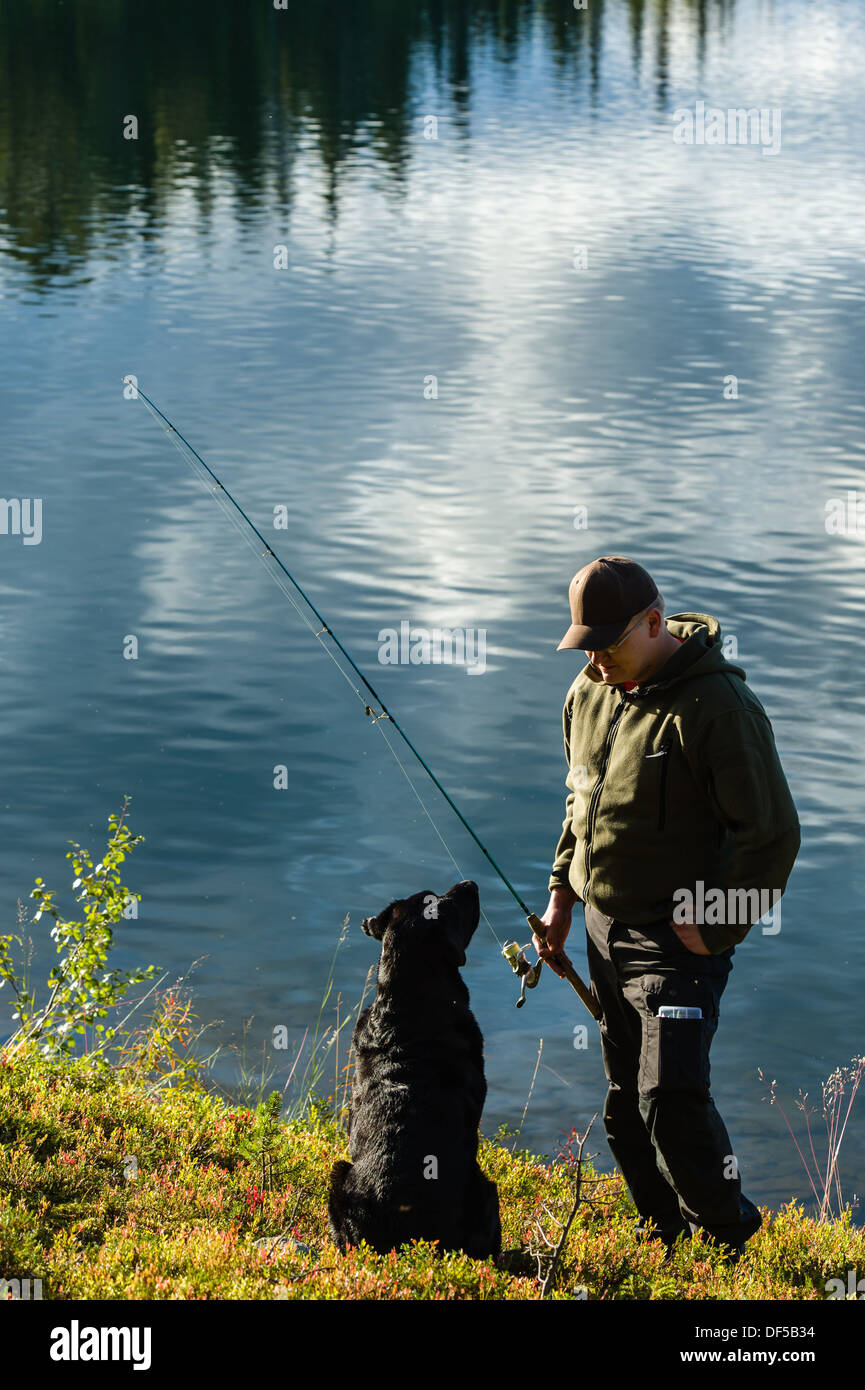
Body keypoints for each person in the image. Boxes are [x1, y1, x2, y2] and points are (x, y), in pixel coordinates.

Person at [534, 556, 800, 1260]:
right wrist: (560, 897)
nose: (595, 663)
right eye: (584, 646)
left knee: (670, 1103)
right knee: (625, 1108)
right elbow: (579, 801)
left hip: (673, 949)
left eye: (609, 645)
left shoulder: (719, 710)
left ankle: (731, 1246)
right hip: (598, 928)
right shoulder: (587, 693)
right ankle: (665, 1238)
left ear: (654, 623)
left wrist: (714, 926)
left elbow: (771, 836)